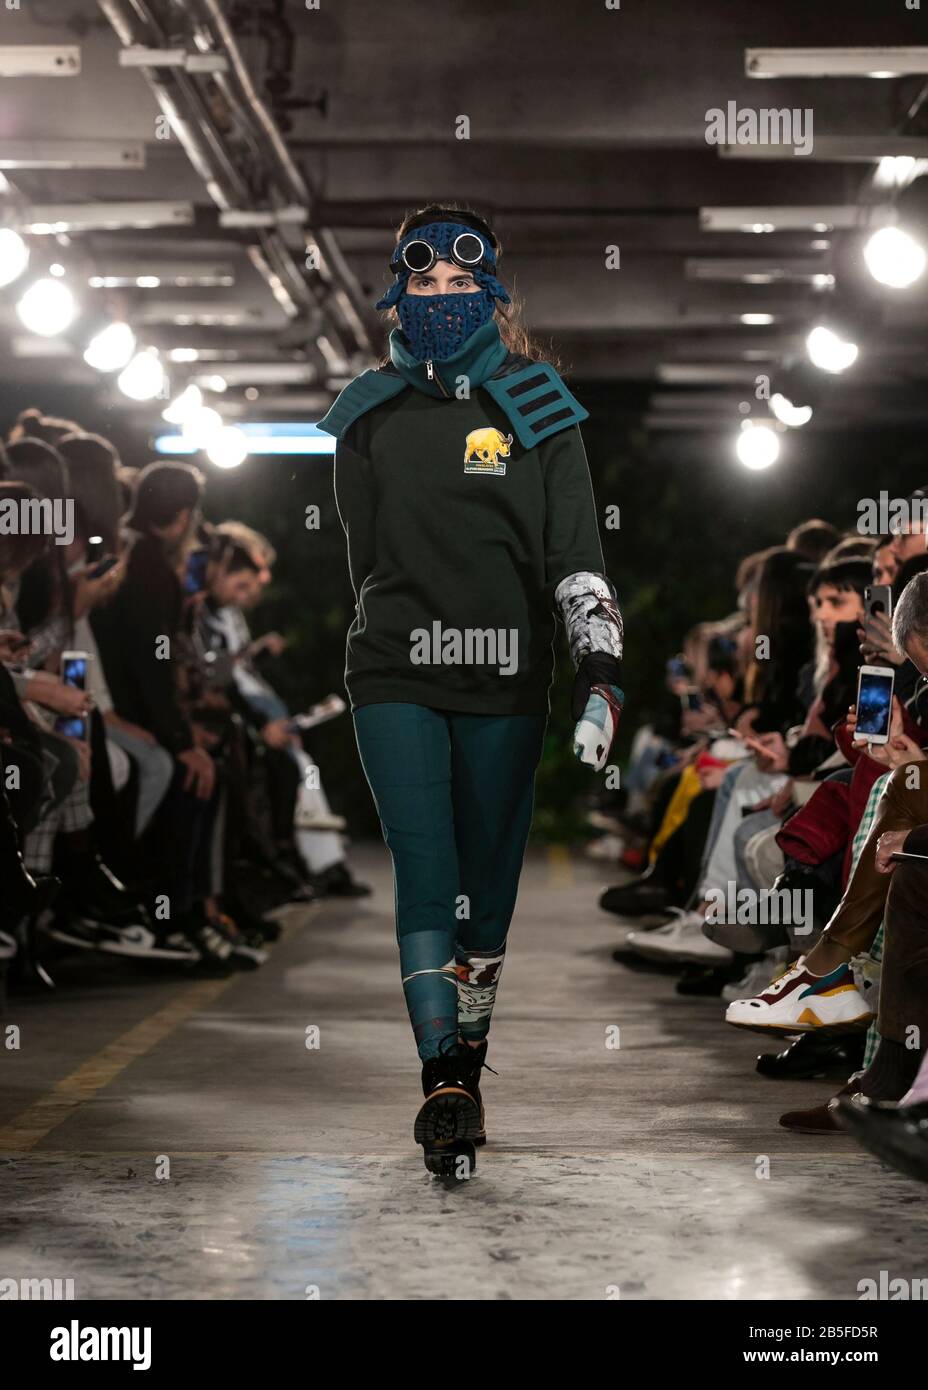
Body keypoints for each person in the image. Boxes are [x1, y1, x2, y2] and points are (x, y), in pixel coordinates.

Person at [319, 203, 625, 1176]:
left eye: (462, 284)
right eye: (425, 283)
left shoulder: (539, 406)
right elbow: (367, 563)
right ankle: (441, 1070)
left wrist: (602, 675)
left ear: (492, 294)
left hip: (506, 678)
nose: (442, 300)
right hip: (394, 670)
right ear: (396, 292)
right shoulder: (365, 412)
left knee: (485, 888)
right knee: (425, 868)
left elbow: (575, 555)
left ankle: (470, 1060)